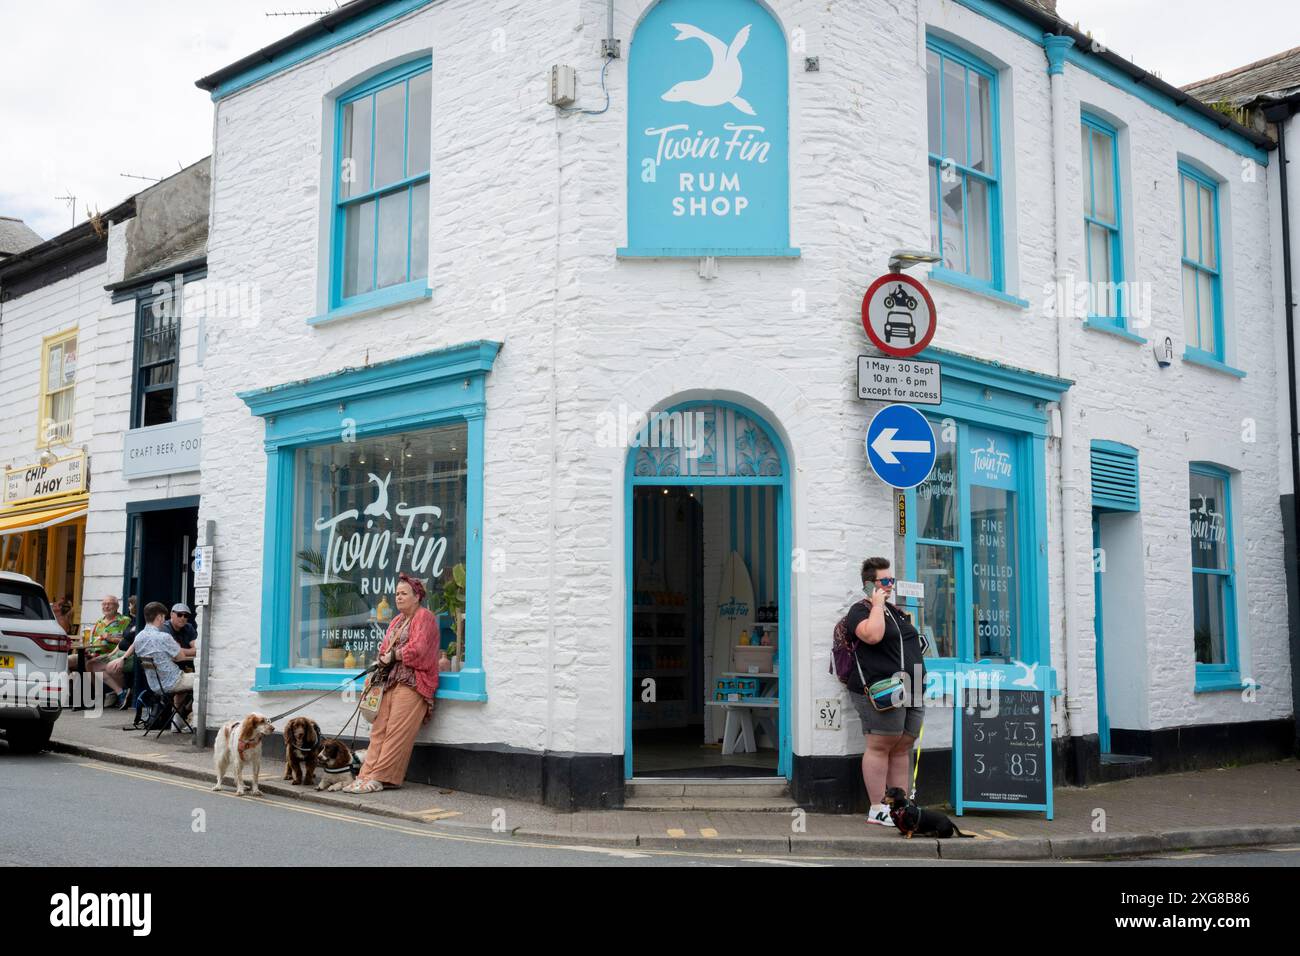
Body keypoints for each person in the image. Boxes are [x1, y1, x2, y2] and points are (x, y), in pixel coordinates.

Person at [844, 557, 927, 827]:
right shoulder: (860, 611)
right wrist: (877, 604)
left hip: (912, 686)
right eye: (885, 581)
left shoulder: (895, 611)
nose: (890, 586)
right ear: (870, 585)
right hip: (883, 689)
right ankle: (877, 808)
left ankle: (899, 807)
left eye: (892, 581)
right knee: (880, 745)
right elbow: (873, 636)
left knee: (903, 746)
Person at [342, 574, 440, 794]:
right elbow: (384, 650)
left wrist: (394, 655)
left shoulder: (424, 617)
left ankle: (381, 777)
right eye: (397, 593)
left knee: (397, 731)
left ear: (417, 596)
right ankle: (365, 774)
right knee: (379, 730)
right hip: (391, 681)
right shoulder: (396, 620)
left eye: (404, 593)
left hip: (414, 682)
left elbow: (421, 650)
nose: (398, 597)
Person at [120, 601, 197, 722]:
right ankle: (192, 721)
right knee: (203, 681)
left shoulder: (139, 636)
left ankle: (177, 722)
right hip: (173, 681)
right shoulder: (164, 637)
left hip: (155, 685)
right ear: (159, 617)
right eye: (163, 617)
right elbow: (181, 657)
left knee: (185, 685)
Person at [76, 595, 134, 705]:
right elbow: (93, 641)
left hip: (113, 654)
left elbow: (128, 640)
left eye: (110, 604)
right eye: (104, 604)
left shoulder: (124, 621)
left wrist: (110, 638)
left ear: (117, 606)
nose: (106, 606)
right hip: (96, 654)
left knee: (90, 665)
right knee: (80, 662)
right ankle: (100, 695)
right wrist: (90, 651)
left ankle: (104, 695)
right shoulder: (99, 622)